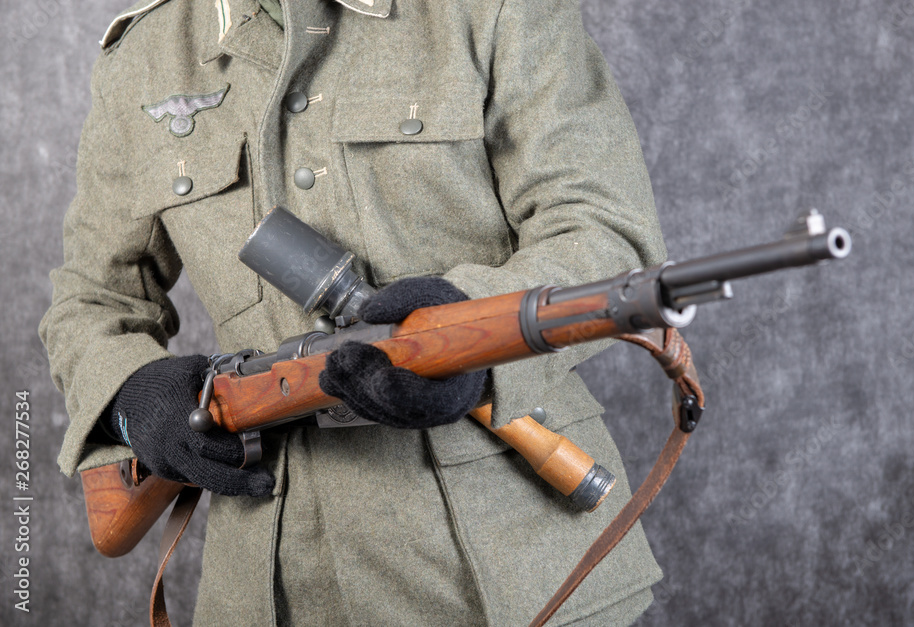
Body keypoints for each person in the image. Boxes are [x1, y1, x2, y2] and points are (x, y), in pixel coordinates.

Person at [40, 0, 669, 623]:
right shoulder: (146, 55)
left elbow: (608, 235)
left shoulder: (493, 10)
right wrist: (132, 398)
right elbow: (92, 299)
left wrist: (468, 327)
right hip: (273, 581)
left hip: (511, 564)